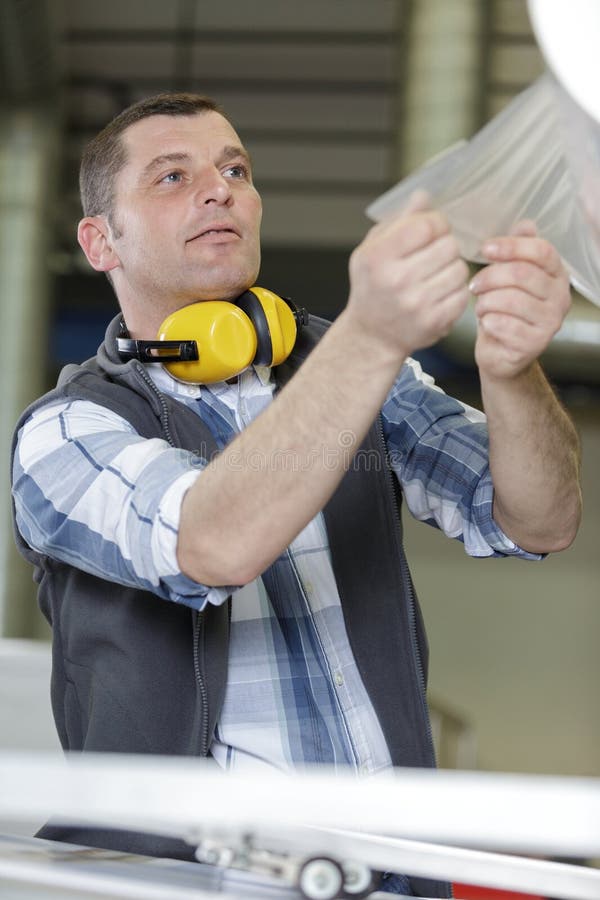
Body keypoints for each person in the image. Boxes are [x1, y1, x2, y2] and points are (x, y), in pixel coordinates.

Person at [11, 93, 581, 898]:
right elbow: (209, 544)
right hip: (180, 887)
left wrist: (512, 369)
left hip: (393, 879)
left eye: (235, 170)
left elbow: (542, 518)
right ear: (101, 241)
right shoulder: (64, 433)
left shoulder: (355, 371)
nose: (219, 190)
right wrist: (370, 338)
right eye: (173, 177)